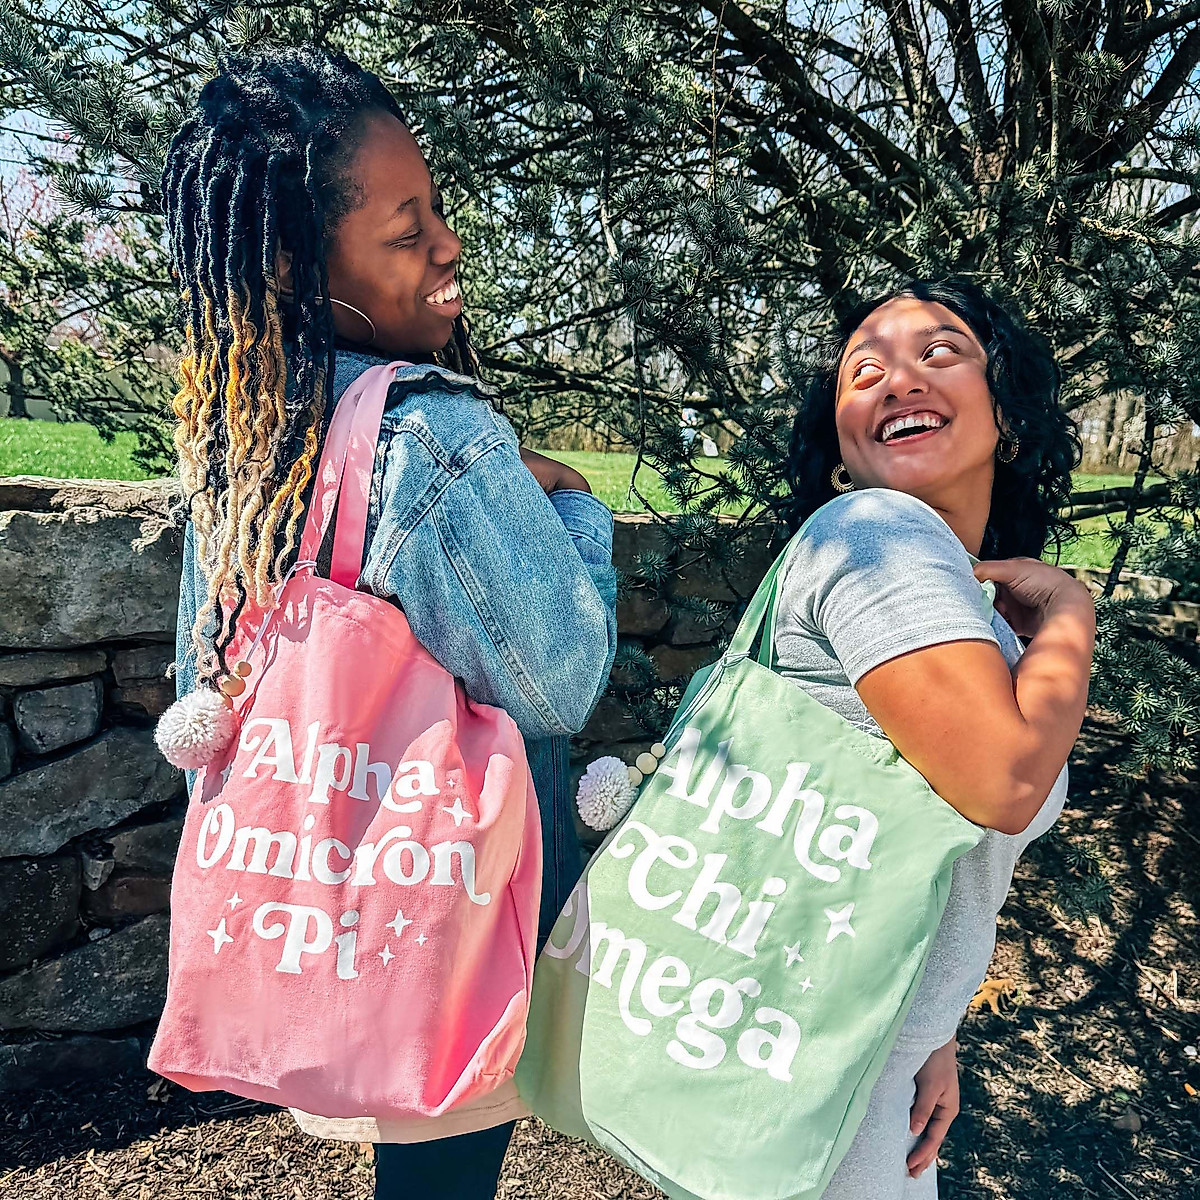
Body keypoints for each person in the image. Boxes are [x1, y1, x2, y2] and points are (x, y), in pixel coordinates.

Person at [162, 46, 617, 1200]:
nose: (450, 247)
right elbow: (560, 679)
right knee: (443, 1157)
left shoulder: (243, 435)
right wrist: (571, 505)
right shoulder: (430, 433)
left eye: (439, 215)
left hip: (319, 900)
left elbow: (199, 686)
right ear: (294, 263)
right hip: (438, 905)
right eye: (408, 233)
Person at [777, 278, 1095, 1198]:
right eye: (863, 370)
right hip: (817, 1058)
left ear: (1007, 406)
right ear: (841, 440)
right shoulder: (880, 538)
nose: (898, 381)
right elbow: (1002, 784)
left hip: (870, 1050)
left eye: (940, 353)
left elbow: (926, 836)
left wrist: (936, 1026)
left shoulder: (953, 595)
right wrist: (1072, 617)